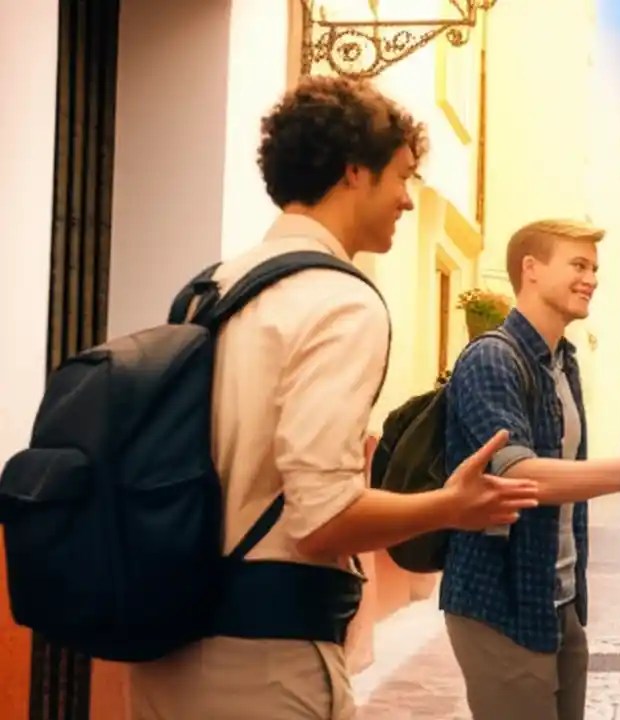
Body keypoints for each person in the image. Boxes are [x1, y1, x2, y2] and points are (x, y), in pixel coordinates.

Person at [129, 76, 540, 720]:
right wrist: (449, 506)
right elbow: (321, 519)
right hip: (266, 662)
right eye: (402, 177)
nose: (408, 200)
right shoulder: (341, 301)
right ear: (354, 172)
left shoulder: (212, 287)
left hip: (168, 647)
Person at [441, 219, 620, 720]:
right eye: (578, 265)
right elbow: (519, 476)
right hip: (501, 603)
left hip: (560, 600)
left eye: (594, 268)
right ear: (530, 270)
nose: (591, 279)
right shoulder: (492, 359)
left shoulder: (562, 363)